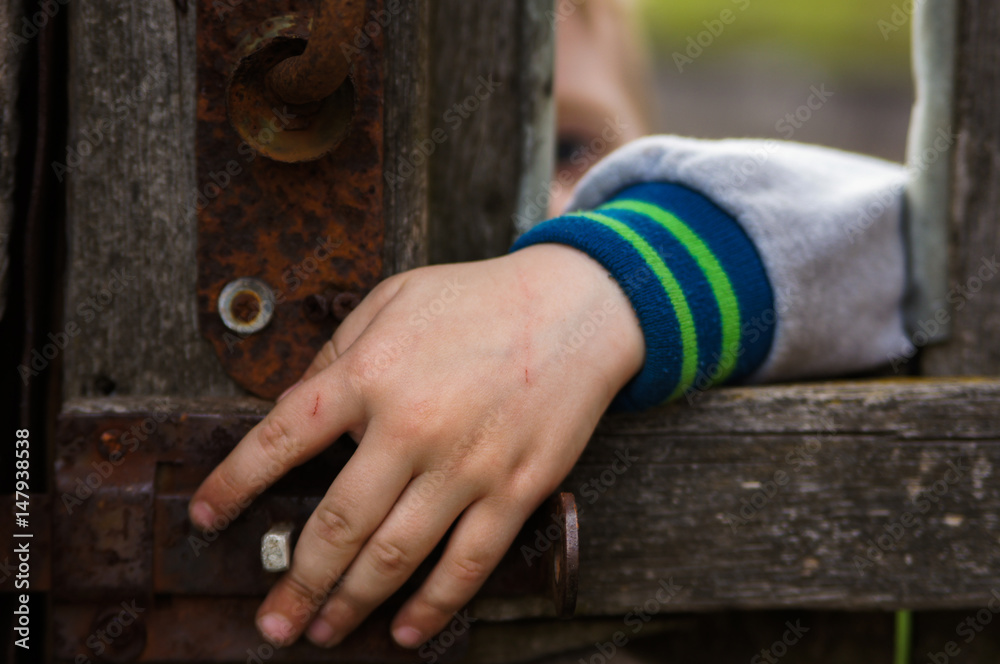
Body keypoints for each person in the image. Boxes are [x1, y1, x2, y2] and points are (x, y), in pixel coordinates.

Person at [188, 0, 912, 650]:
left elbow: (896, 232)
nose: (535, 193)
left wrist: (599, 287)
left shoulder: (642, 296)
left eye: (571, 148)